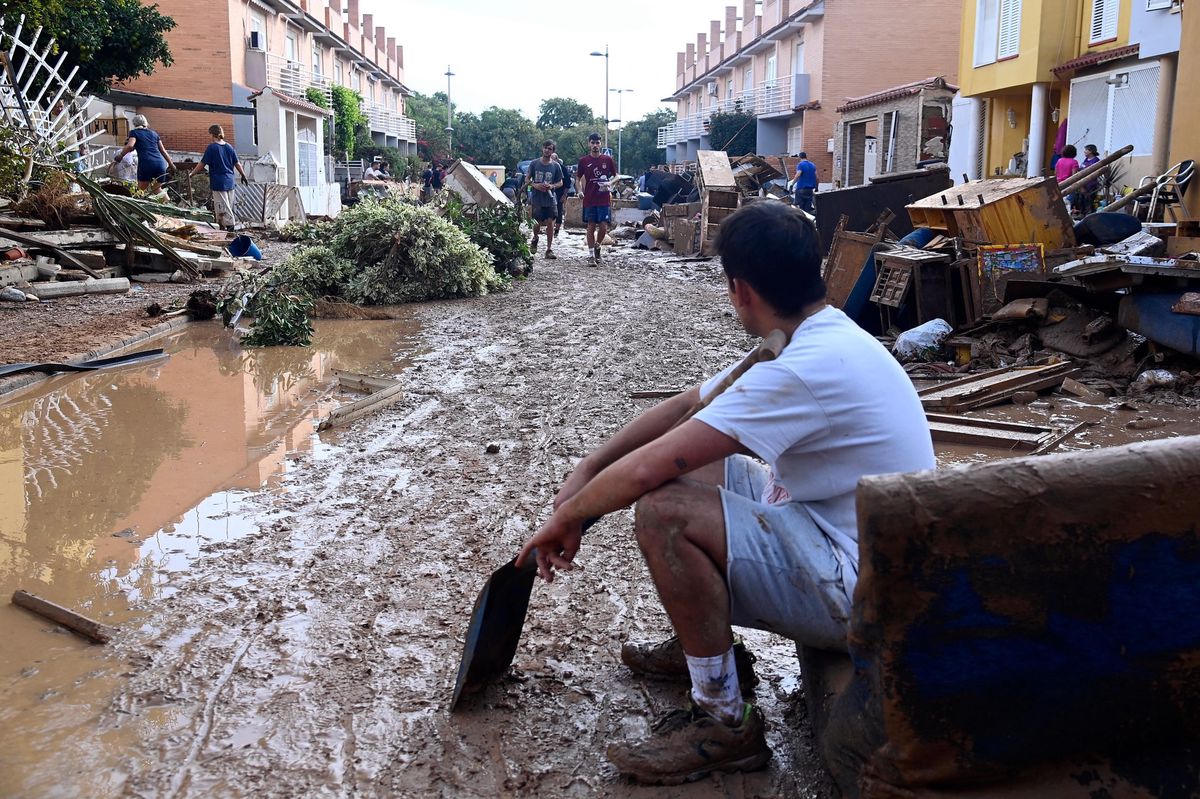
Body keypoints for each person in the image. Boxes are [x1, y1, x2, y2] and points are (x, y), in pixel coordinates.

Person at [516, 202, 935, 785]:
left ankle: (724, 723)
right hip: (848, 540)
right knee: (695, 472)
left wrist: (569, 517)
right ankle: (713, 653)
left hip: (862, 591)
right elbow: (690, 405)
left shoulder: (800, 367)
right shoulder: (812, 335)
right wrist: (587, 468)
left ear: (739, 289)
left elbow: (645, 474)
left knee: (664, 512)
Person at [189, 124, 249, 231]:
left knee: (222, 206)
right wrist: (243, 175)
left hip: (218, 181)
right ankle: (222, 229)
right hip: (230, 181)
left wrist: (192, 174)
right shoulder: (229, 147)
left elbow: (202, 163)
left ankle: (231, 228)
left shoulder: (212, 148)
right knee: (226, 206)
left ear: (212, 134)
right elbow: (237, 163)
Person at [576, 132, 617, 266]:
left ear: (601, 144)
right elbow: (577, 179)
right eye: (592, 143)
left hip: (604, 198)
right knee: (590, 226)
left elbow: (617, 176)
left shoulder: (607, 159)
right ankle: (591, 255)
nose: (595, 145)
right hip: (589, 198)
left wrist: (610, 183)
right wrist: (580, 191)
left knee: (604, 226)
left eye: (597, 143)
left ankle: (598, 245)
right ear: (589, 144)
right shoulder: (583, 161)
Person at [524, 140, 564, 260]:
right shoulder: (534, 163)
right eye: (546, 148)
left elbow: (560, 182)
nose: (547, 150)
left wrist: (552, 186)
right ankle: (535, 237)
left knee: (550, 223)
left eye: (550, 149)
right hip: (537, 198)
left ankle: (549, 249)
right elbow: (527, 179)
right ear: (542, 149)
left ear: (553, 151)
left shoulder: (556, 166)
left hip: (551, 198)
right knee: (536, 223)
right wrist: (535, 185)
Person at [113, 114, 175, 191]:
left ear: (134, 124)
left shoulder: (134, 132)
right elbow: (163, 151)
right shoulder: (154, 133)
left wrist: (120, 156)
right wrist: (172, 165)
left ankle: (137, 202)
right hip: (160, 164)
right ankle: (167, 202)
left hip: (147, 163)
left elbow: (130, 146)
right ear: (145, 123)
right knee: (157, 189)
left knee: (140, 191)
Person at [1055, 144, 1081, 215]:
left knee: (1060, 201)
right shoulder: (1074, 162)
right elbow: (1074, 175)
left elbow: (1056, 173)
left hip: (1059, 183)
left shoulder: (1059, 160)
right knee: (1068, 203)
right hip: (1069, 184)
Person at [1078, 143, 1101, 215]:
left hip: (1091, 184)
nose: (1084, 151)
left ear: (1090, 151)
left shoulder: (1096, 161)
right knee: (1081, 200)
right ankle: (1082, 214)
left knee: (1090, 200)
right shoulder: (1085, 160)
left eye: (1086, 150)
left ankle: (1089, 214)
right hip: (1083, 184)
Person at [551, 152, 570, 231]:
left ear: (557, 159)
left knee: (559, 210)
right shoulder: (546, 167)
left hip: (559, 193)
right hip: (548, 193)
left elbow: (567, 183)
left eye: (553, 159)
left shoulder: (562, 168)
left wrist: (564, 195)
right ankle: (550, 228)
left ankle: (557, 229)